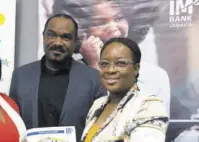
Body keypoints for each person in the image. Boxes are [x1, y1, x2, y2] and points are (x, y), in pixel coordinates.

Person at [54, 37, 172, 142]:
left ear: (136, 69)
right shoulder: (98, 105)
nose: (111, 70)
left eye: (121, 63)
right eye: (104, 64)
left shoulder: (148, 106)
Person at [9, 14, 105, 142]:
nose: (58, 42)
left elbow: (100, 130)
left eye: (66, 37)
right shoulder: (21, 76)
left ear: (75, 42)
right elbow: (13, 125)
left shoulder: (93, 78)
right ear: (43, 37)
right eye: (52, 35)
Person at [40, 0, 171, 116]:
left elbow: (120, 118)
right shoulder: (68, 74)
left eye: (119, 18)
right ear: (84, 30)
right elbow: (83, 116)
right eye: (99, 22)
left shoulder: (154, 76)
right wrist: (94, 67)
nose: (113, 27)